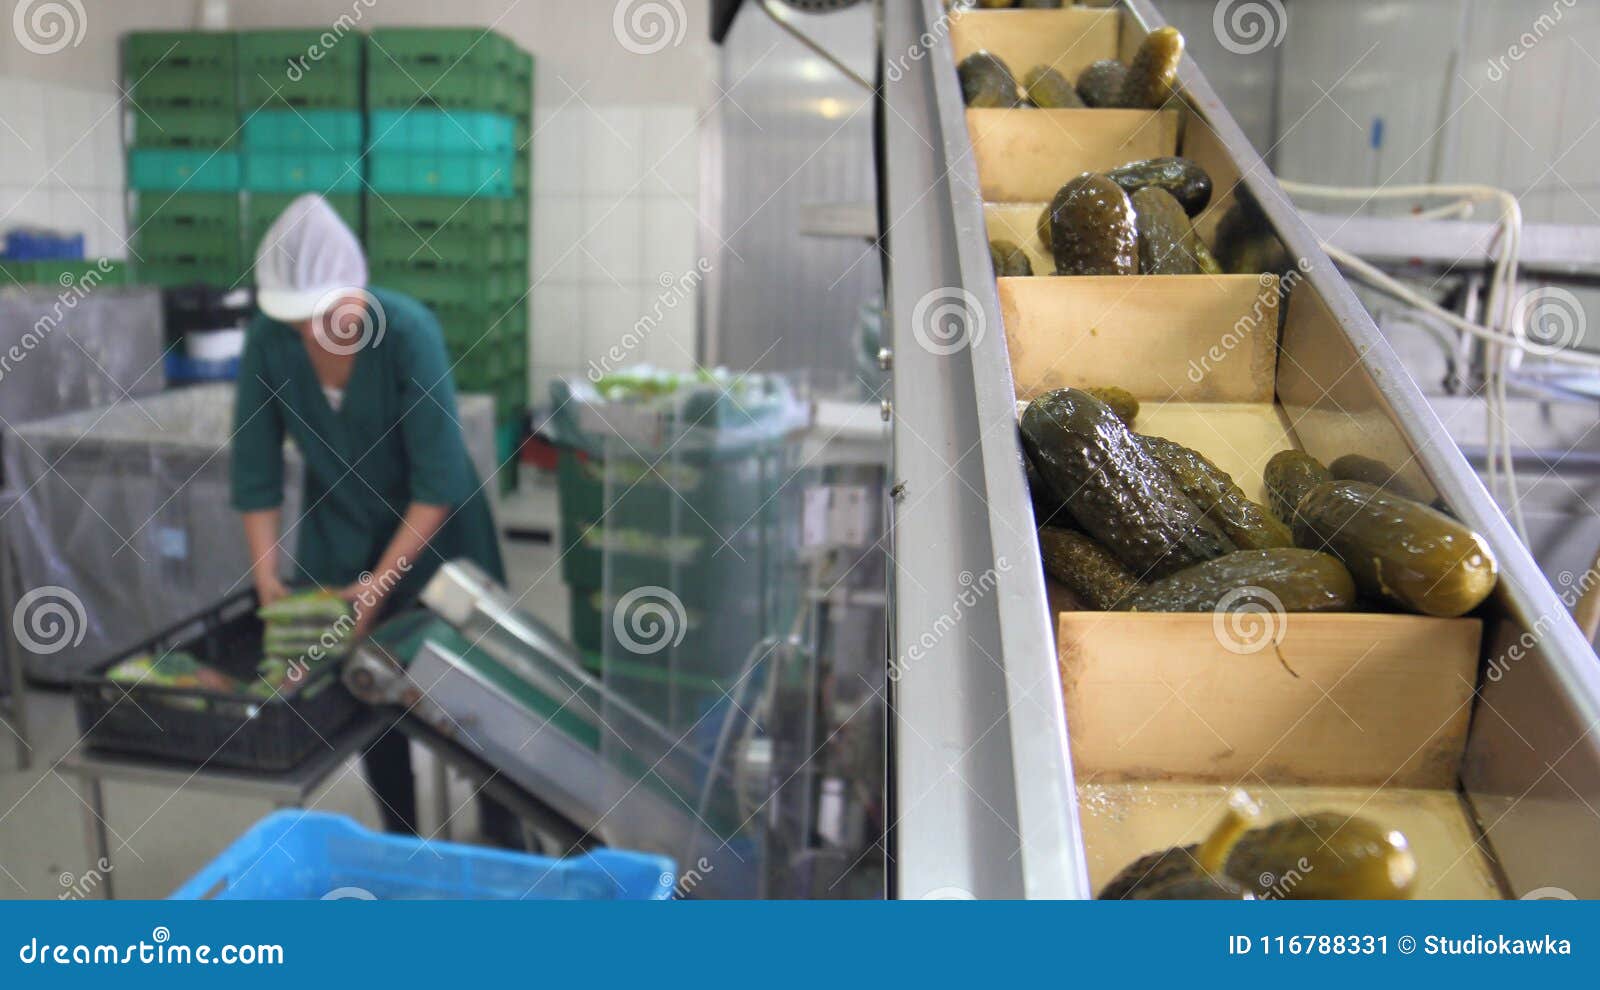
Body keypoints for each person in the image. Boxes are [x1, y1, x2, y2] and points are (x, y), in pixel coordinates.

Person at [230, 193, 522, 848]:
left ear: (355, 289)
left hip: (439, 540)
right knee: (371, 696)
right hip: (340, 535)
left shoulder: (409, 334)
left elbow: (437, 483)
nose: (314, 331)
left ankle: (505, 833)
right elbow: (255, 474)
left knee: (475, 700)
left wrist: (379, 588)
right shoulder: (268, 346)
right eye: (299, 318)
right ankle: (402, 844)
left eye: (327, 312)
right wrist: (268, 585)